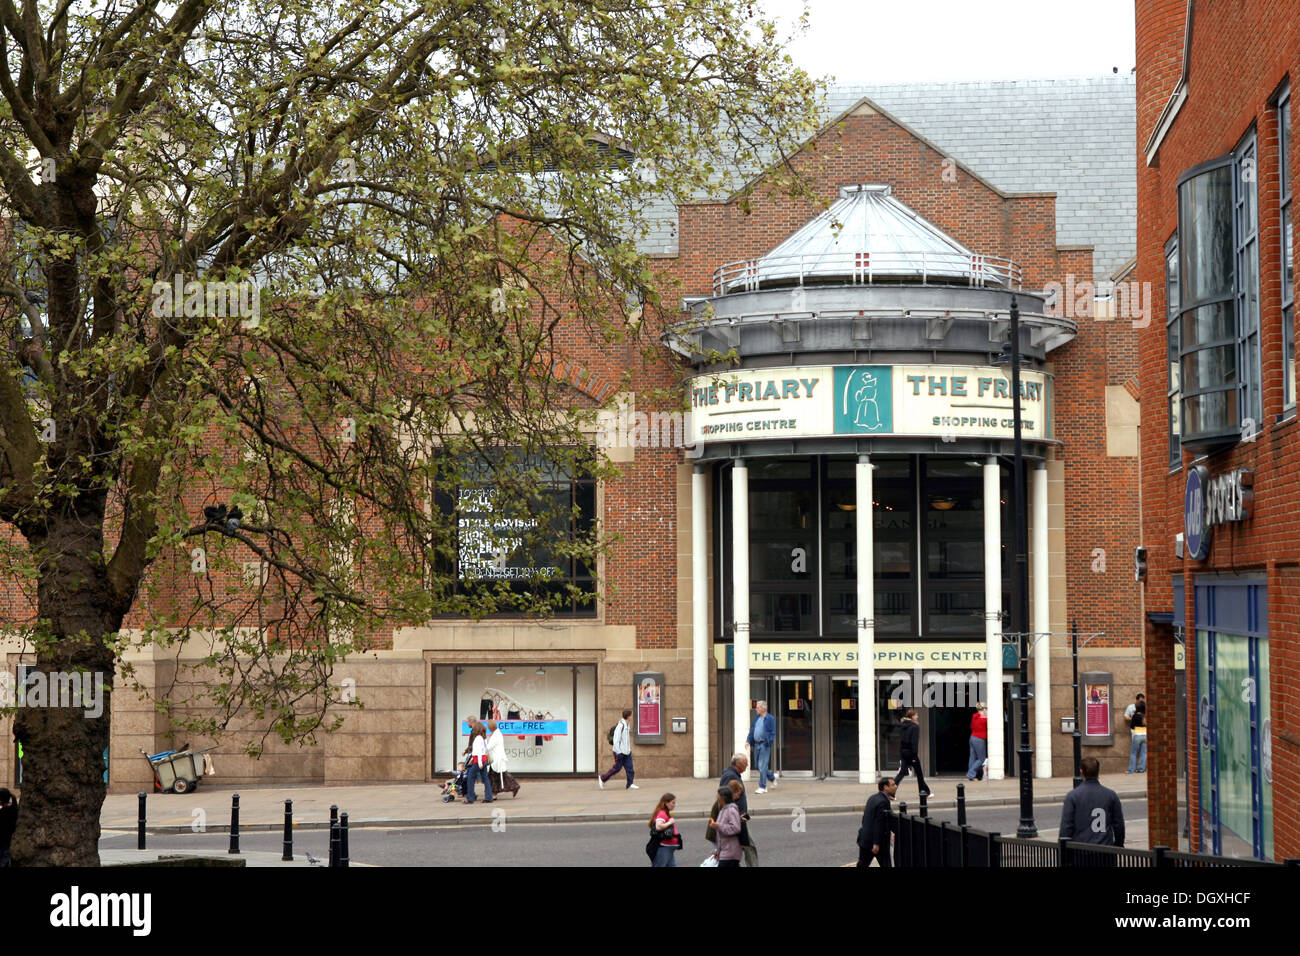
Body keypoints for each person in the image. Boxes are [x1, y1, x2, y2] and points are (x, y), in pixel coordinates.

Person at [1060, 756, 1125, 856]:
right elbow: (1118, 824)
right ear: (1098, 772)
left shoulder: (1072, 796)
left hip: (1080, 852)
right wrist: (1118, 845)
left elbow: (1066, 827)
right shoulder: (1111, 795)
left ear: (1081, 771)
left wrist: (1064, 851)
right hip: (1105, 851)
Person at [857, 777, 898, 868]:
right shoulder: (883, 802)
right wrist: (876, 843)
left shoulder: (873, 798)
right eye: (893, 785)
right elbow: (879, 823)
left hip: (864, 839)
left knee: (862, 864)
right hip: (876, 843)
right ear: (885, 787)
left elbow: (865, 818)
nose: (896, 786)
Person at [598, 708, 637, 789]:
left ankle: (630, 784)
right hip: (619, 752)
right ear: (628, 716)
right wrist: (618, 752)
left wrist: (628, 749)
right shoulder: (621, 726)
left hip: (627, 752)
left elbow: (626, 740)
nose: (632, 717)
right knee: (617, 768)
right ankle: (602, 778)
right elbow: (616, 740)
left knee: (630, 768)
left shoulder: (627, 724)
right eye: (631, 715)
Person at [894, 709, 930, 797]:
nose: (917, 717)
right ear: (912, 716)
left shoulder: (903, 726)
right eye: (916, 715)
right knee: (919, 773)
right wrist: (914, 756)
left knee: (902, 772)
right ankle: (923, 792)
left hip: (903, 751)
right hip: (911, 753)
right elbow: (914, 743)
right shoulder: (915, 727)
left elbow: (902, 740)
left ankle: (890, 792)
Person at [746, 700, 778, 794]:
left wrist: (768, 741)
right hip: (756, 744)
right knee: (757, 765)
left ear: (763, 708)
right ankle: (772, 777)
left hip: (764, 744)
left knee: (762, 765)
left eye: (758, 707)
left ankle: (762, 786)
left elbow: (772, 732)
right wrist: (748, 740)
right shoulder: (757, 718)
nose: (756, 709)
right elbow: (752, 730)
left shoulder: (770, 718)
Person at [485, 718, 521, 797]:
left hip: (496, 759)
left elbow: (489, 747)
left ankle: (513, 787)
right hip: (497, 759)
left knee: (494, 776)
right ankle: (495, 793)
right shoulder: (497, 733)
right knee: (497, 776)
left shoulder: (495, 736)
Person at [711, 786, 743, 867]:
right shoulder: (723, 810)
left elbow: (735, 828)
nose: (716, 798)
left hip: (731, 852)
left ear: (723, 798)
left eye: (717, 796)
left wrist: (718, 826)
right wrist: (718, 851)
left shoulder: (731, 810)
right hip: (725, 851)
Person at [649, 793, 682, 867]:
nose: (675, 805)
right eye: (673, 802)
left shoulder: (665, 813)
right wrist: (670, 822)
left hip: (668, 847)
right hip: (664, 847)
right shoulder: (662, 813)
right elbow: (658, 826)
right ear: (666, 803)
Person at [464, 721, 494, 804]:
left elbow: (479, 751)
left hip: (478, 761)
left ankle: (470, 798)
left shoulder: (477, 739)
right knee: (485, 779)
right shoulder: (484, 738)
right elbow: (484, 750)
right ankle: (489, 797)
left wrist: (478, 762)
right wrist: (474, 759)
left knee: (470, 778)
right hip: (483, 760)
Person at [967, 701, 989, 781]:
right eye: (986, 708)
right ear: (983, 709)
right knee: (981, 759)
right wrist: (986, 713)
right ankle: (971, 773)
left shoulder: (975, 716)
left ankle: (972, 776)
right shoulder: (984, 719)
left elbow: (971, 726)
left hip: (972, 737)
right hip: (979, 739)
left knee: (972, 757)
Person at [1126, 699, 1148, 774]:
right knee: (1143, 753)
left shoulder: (1135, 716)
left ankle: (1131, 770)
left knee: (1133, 753)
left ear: (1137, 708)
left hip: (1137, 735)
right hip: (1145, 735)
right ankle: (1141, 769)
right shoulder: (1146, 716)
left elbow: (1132, 726)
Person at [0, 788, 16, 868]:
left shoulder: (2, 812)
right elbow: (14, 803)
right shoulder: (14, 809)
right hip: (11, 840)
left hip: (3, 842)